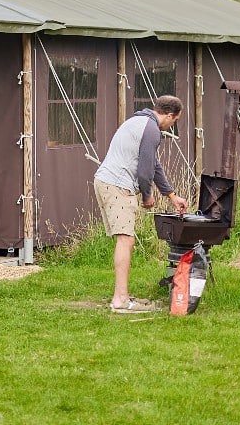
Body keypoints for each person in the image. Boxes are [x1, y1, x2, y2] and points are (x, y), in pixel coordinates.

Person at [93, 94, 189, 314]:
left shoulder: (139, 122)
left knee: (126, 240)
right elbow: (144, 171)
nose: (172, 126)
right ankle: (120, 301)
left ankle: (122, 295)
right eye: (174, 122)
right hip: (118, 186)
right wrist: (147, 196)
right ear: (169, 115)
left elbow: (154, 165)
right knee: (125, 240)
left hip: (107, 182)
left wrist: (172, 196)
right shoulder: (152, 130)